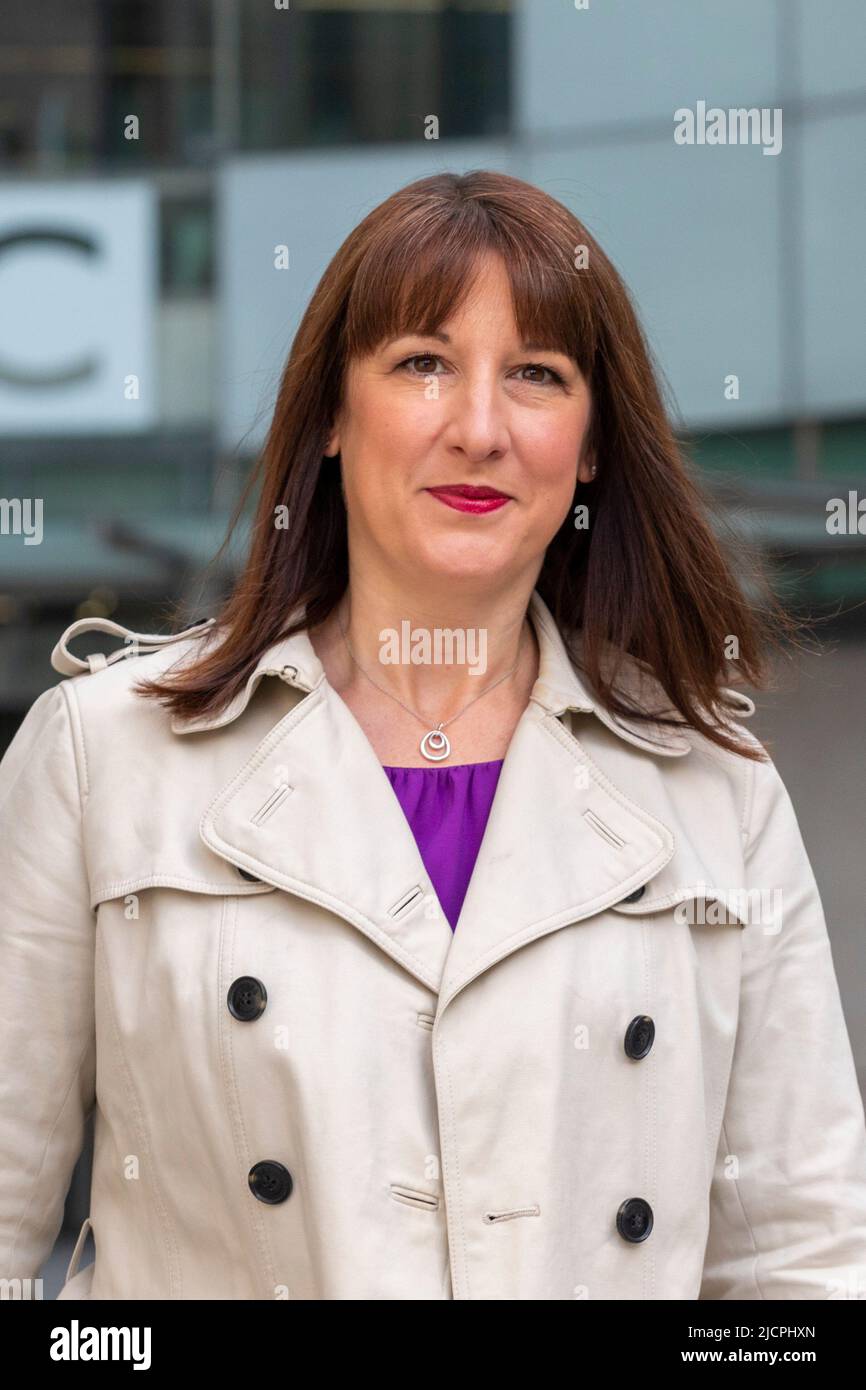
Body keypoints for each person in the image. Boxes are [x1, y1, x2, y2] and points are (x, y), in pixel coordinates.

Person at [2, 170, 866, 1301]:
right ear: (327, 414)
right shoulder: (100, 759)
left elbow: (798, 1266)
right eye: (421, 364)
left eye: (536, 376)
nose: (479, 428)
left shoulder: (718, 794)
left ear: (592, 443)